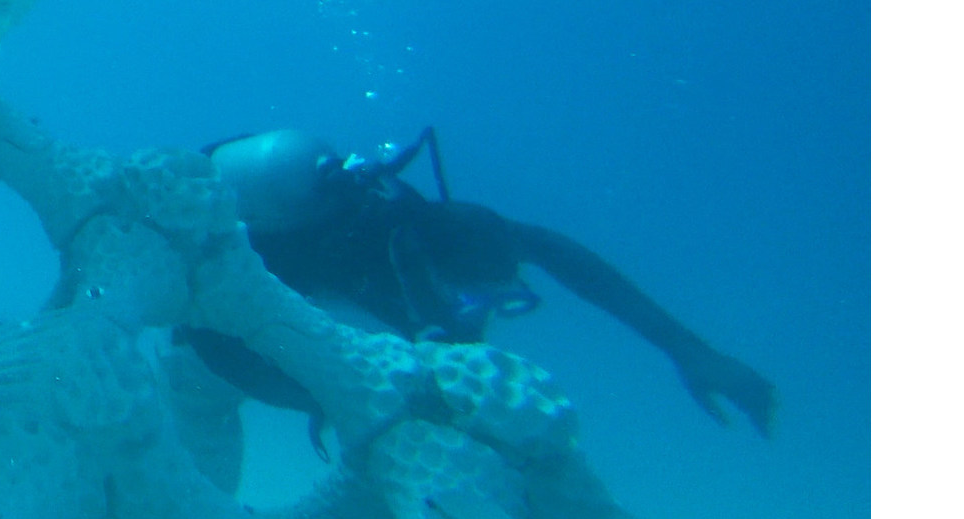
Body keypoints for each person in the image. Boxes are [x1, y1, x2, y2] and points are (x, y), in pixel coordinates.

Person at [187, 127, 778, 438]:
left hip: (273, 322)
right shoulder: (367, 263)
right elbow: (219, 342)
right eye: (472, 295)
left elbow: (558, 251)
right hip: (205, 332)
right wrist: (324, 398)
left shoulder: (436, 226)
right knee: (196, 405)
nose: (477, 311)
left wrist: (689, 351)